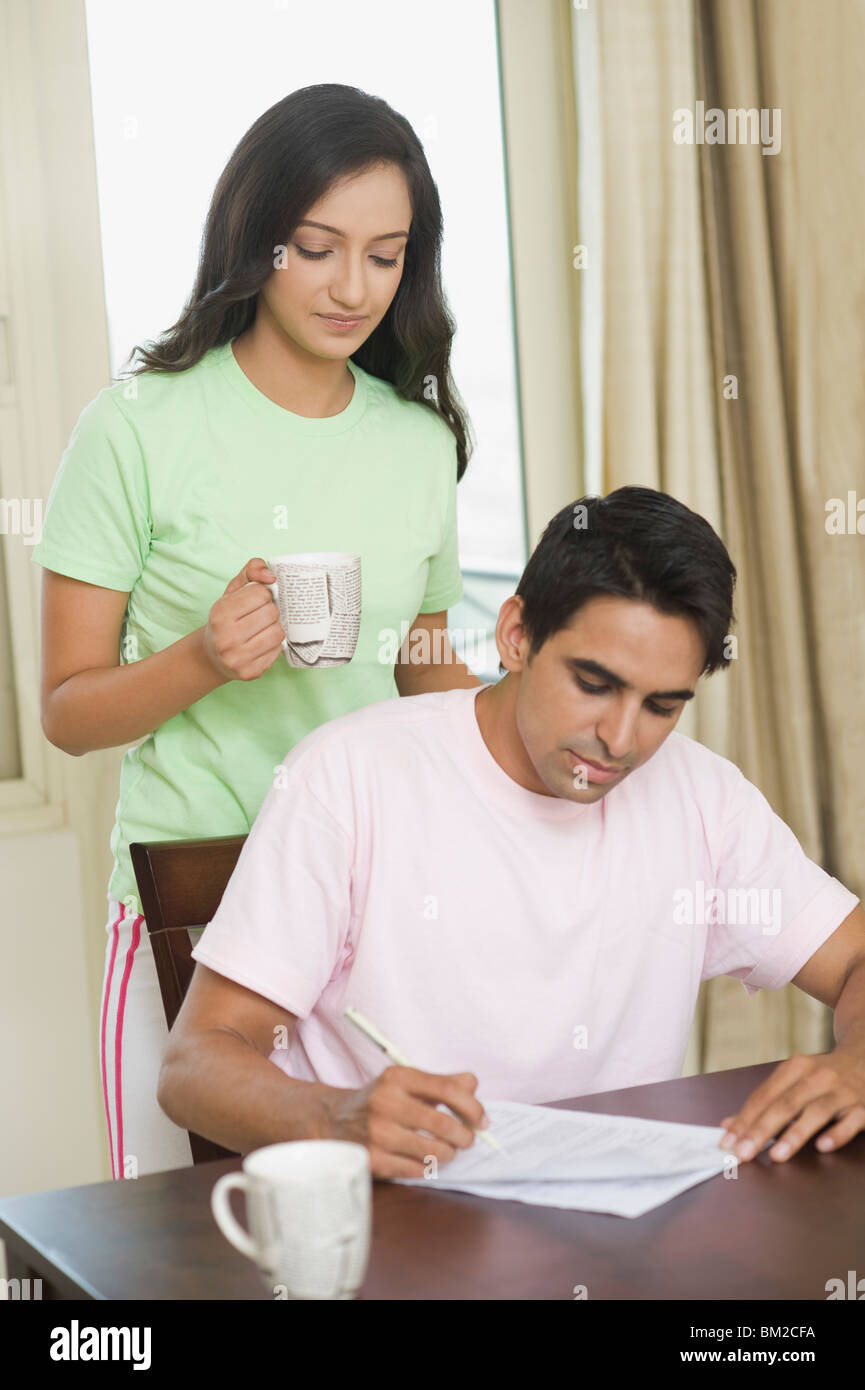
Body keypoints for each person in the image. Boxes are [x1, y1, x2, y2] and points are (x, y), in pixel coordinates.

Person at [32, 84, 482, 1179]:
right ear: (257, 237)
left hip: (370, 887)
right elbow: (66, 714)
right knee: (172, 1246)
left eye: (385, 255)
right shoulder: (137, 426)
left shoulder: (417, 438)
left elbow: (422, 665)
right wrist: (199, 660)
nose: (351, 286)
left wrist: (544, 721)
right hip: (194, 888)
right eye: (318, 247)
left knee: (378, 1231)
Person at [158, 486, 865, 1178]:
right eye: (593, 683)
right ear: (515, 635)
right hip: (399, 1234)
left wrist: (856, 1062)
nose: (619, 740)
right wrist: (333, 1117)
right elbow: (194, 1066)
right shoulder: (348, 774)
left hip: (613, 1234)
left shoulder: (702, 795)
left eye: (660, 705)